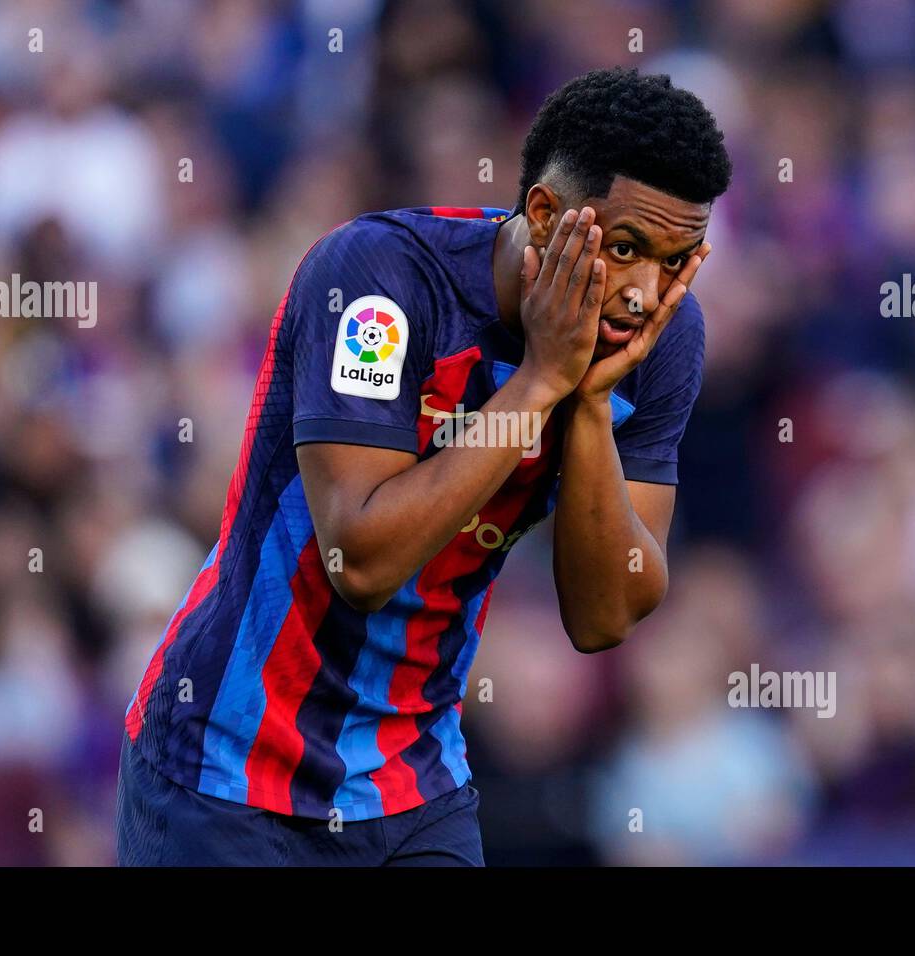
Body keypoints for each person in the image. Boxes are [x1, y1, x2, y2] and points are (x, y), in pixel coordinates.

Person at [117, 66, 732, 866]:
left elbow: (605, 615)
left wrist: (583, 405)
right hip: (224, 771)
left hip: (411, 782)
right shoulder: (379, 281)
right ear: (543, 214)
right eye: (624, 249)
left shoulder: (661, 341)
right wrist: (542, 379)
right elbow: (360, 560)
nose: (645, 294)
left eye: (675, 259)